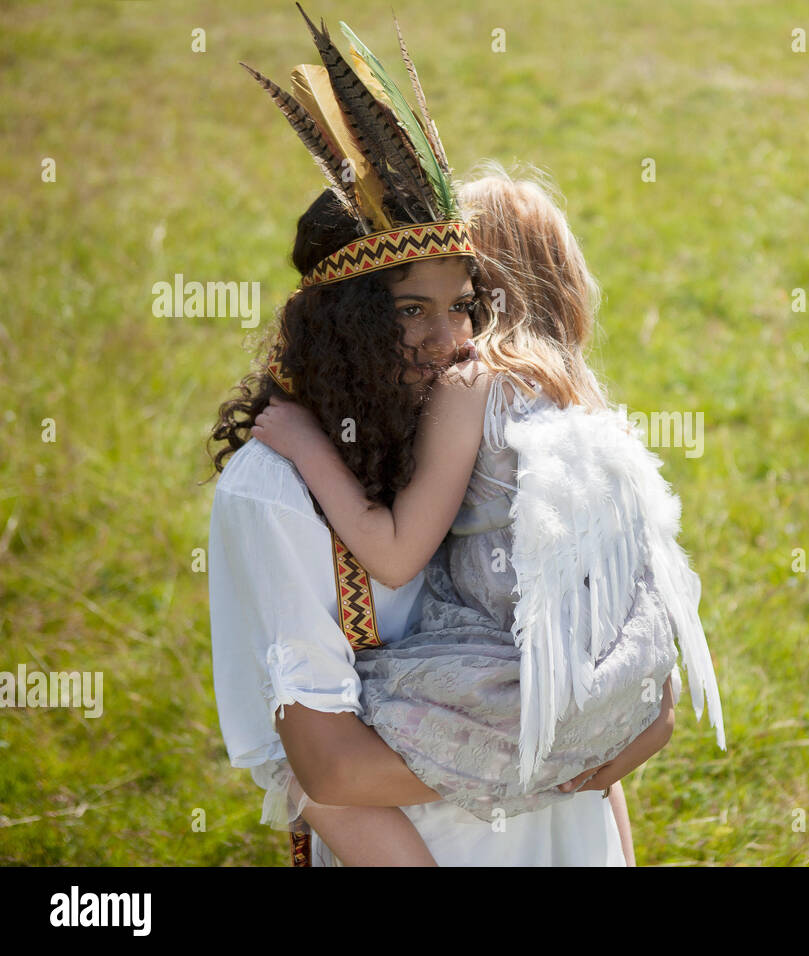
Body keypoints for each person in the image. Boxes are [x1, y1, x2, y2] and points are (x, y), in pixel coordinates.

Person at [206, 10, 672, 865]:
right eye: (408, 312)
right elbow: (329, 769)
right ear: (345, 324)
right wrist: (556, 752)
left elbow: (627, 696)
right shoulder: (276, 493)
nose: (452, 342)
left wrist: (587, 754)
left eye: (463, 308)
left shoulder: (483, 433)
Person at [250, 165, 725, 864]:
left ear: (480, 286)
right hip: (604, 680)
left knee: (319, 776)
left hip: (506, 680)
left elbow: (394, 553)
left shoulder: (471, 384)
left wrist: (306, 445)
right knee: (581, 781)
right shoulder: (579, 398)